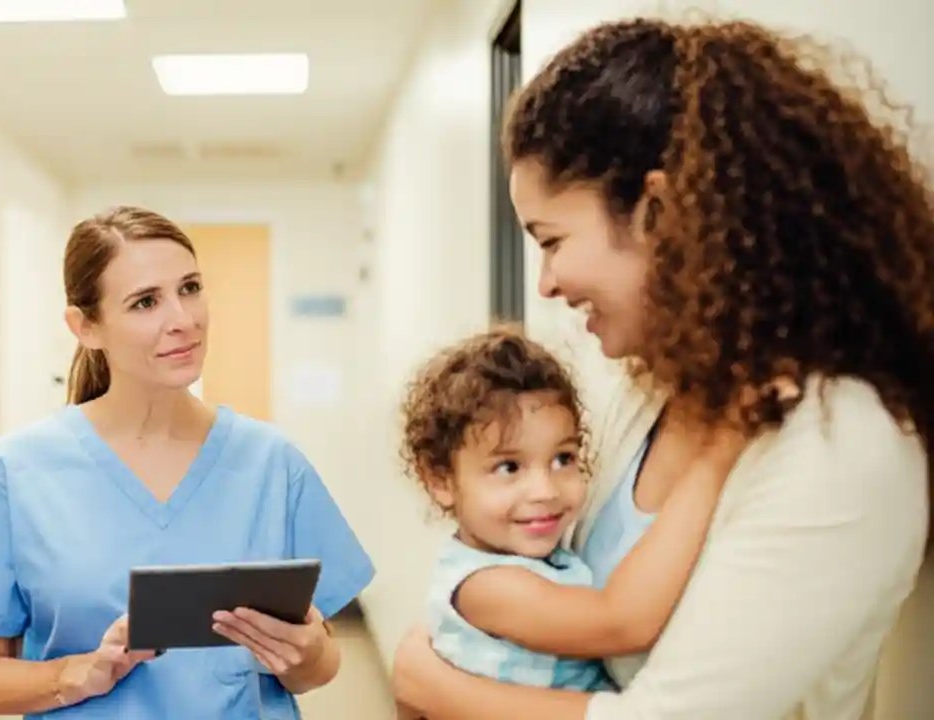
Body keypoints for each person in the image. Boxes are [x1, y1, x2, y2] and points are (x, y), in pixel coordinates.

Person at [392, 16, 932, 720]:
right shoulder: (641, 387)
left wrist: (441, 688)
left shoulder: (844, 444)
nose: (547, 284)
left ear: (660, 211)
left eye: (551, 241)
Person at [0, 206, 375, 719]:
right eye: (146, 301)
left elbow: (320, 664)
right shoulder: (16, 474)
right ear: (86, 327)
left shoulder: (272, 465)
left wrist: (304, 657)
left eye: (190, 288)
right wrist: (75, 675)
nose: (183, 320)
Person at [395, 325, 743, 717]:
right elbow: (622, 622)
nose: (545, 490)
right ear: (440, 480)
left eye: (563, 458)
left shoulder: (537, 559)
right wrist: (716, 459)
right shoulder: (486, 585)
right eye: (509, 467)